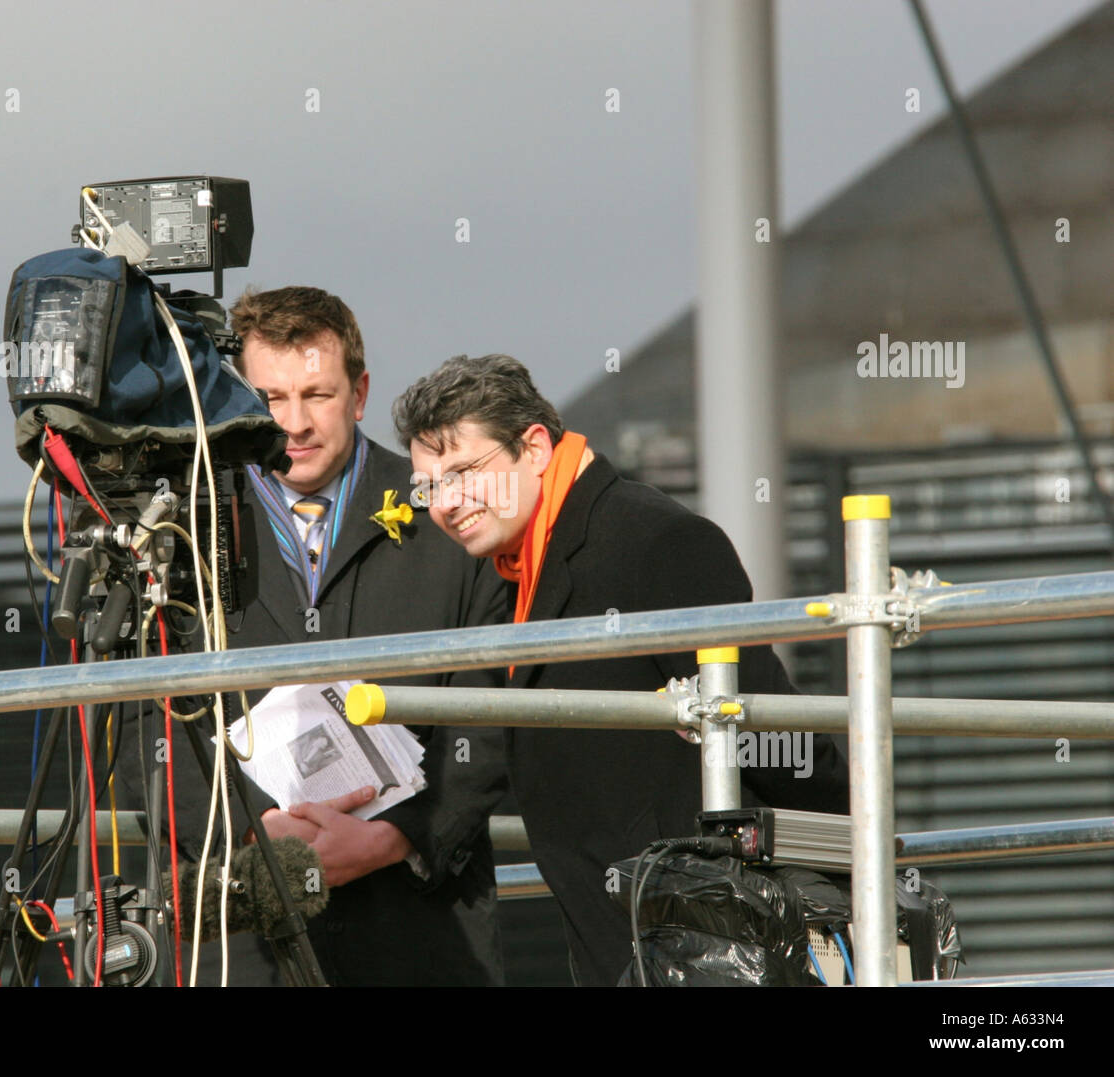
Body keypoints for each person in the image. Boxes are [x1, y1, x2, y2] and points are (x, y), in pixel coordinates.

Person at [393, 354, 850, 986]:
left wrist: (853, 856)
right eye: (429, 485)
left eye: (464, 472)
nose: (446, 502)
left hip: (707, 948)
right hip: (634, 947)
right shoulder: (519, 566)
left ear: (532, 447)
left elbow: (779, 738)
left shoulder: (653, 541)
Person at [210, 288, 508, 986]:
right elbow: (144, 716)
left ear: (360, 392)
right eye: (271, 397)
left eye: (318, 393)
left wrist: (391, 836)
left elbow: (497, 708)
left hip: (424, 937)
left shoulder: (449, 511)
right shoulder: (185, 522)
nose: (295, 422)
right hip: (249, 943)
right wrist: (256, 832)